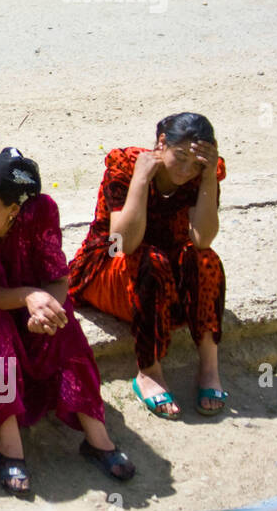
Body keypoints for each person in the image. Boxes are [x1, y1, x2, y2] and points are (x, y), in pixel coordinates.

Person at [0, 148, 134, 495]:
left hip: (27, 303)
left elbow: (57, 281)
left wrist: (45, 308)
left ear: (14, 210)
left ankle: (97, 438)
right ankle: (10, 445)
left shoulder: (41, 212)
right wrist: (27, 298)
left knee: (63, 326)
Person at [68, 113, 226, 419]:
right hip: (110, 266)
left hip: (164, 274)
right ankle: (149, 371)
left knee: (206, 259)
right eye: (179, 157)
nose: (184, 170)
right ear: (162, 143)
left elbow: (202, 238)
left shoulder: (202, 173)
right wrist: (141, 181)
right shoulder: (125, 167)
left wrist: (206, 178)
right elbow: (122, 244)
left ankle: (209, 367)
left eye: (193, 163)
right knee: (149, 261)